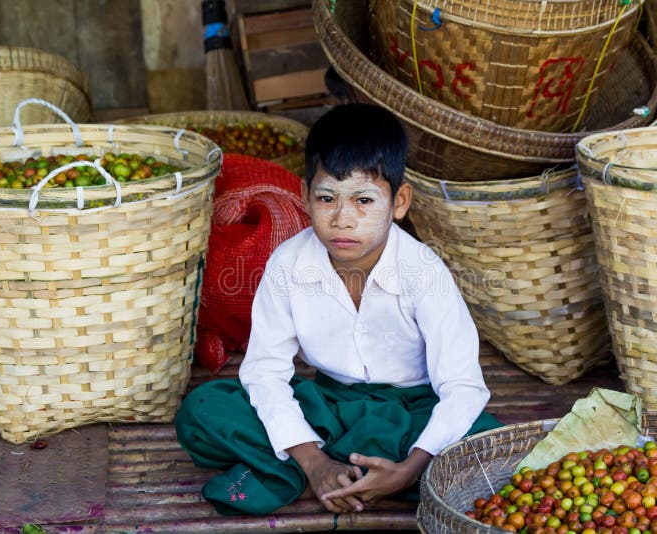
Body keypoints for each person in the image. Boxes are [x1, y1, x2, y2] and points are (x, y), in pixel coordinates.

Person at [175, 103, 502, 516]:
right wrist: (316, 461)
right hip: (327, 408)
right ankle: (320, 470)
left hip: (408, 414)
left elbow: (462, 387)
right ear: (304, 197)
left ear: (399, 202)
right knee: (202, 410)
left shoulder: (424, 271)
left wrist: (410, 467)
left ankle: (307, 472)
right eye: (327, 198)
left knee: (483, 437)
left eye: (364, 200)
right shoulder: (288, 263)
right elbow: (264, 372)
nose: (343, 219)